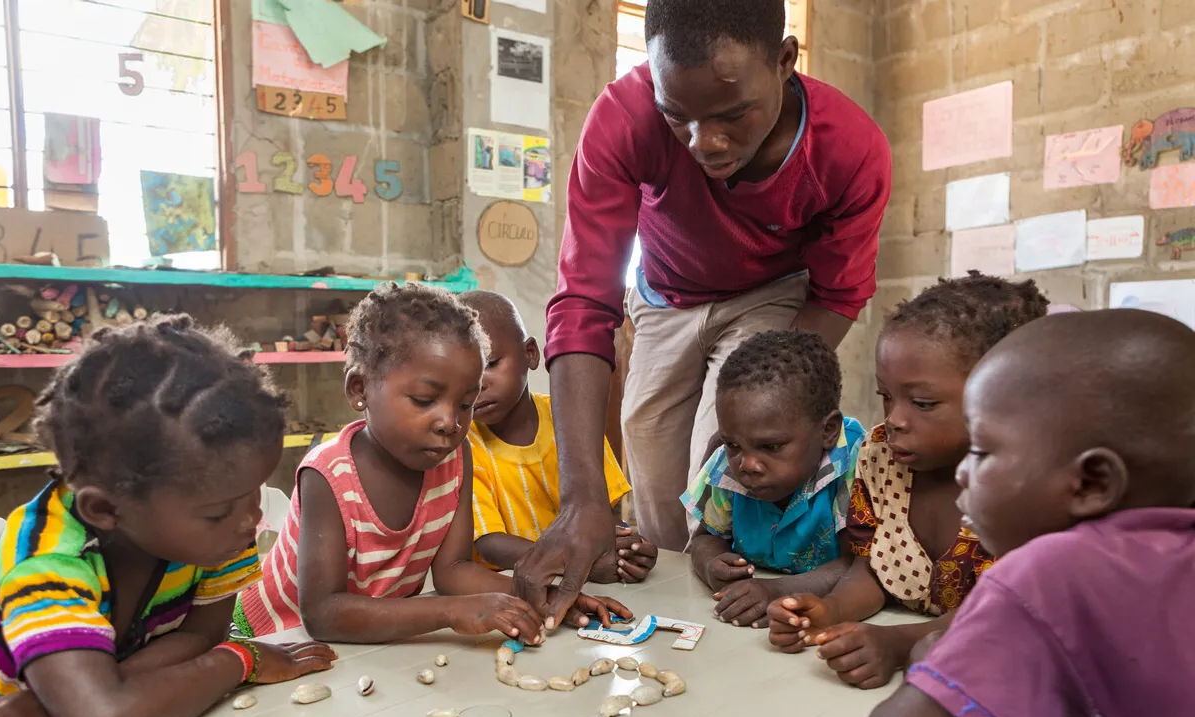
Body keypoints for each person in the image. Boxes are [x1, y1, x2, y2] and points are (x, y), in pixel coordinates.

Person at [518, 0, 892, 627]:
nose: (704, 143)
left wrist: (768, 393)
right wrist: (581, 495)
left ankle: (748, 610)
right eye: (678, 118)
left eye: (732, 114)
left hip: (771, 296)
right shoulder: (623, 116)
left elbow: (838, 292)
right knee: (656, 481)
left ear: (783, 61)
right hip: (663, 298)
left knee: (720, 462)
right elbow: (584, 300)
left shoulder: (848, 150)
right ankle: (672, 630)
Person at [863, 308, 1195, 717]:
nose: (961, 474)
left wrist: (930, 661)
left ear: (1091, 482)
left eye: (981, 451)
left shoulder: (1049, 574)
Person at [0, 317, 338, 717]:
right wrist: (239, 659)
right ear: (103, 510)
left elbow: (202, 634)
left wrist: (62, 710)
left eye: (254, 493)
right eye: (219, 511)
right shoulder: (49, 556)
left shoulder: (214, 535)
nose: (251, 521)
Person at [234, 284, 629, 644]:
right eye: (425, 400)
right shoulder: (328, 475)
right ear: (360, 389)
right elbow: (322, 614)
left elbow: (453, 570)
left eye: (465, 404)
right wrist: (452, 612)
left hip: (363, 643)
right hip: (277, 635)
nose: (450, 422)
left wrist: (545, 594)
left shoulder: (454, 459)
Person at [766, 274, 1048, 689]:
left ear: (1003, 394)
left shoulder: (1025, 488)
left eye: (922, 403)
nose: (894, 419)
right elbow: (875, 569)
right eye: (886, 396)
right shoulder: (881, 459)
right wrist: (829, 610)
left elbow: (1000, 612)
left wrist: (897, 644)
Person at [460, 291, 658, 582]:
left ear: (530, 353)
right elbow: (489, 544)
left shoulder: (571, 421)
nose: (479, 386)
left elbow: (608, 510)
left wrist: (625, 550)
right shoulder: (464, 444)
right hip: (507, 586)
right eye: (465, 376)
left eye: (490, 364)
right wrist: (578, 562)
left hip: (581, 576)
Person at [685, 330, 864, 627]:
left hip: (826, 623)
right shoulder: (727, 465)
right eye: (733, 445)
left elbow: (855, 565)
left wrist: (776, 591)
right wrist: (710, 565)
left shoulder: (853, 466)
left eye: (772, 447)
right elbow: (705, 537)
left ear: (828, 431)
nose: (748, 465)